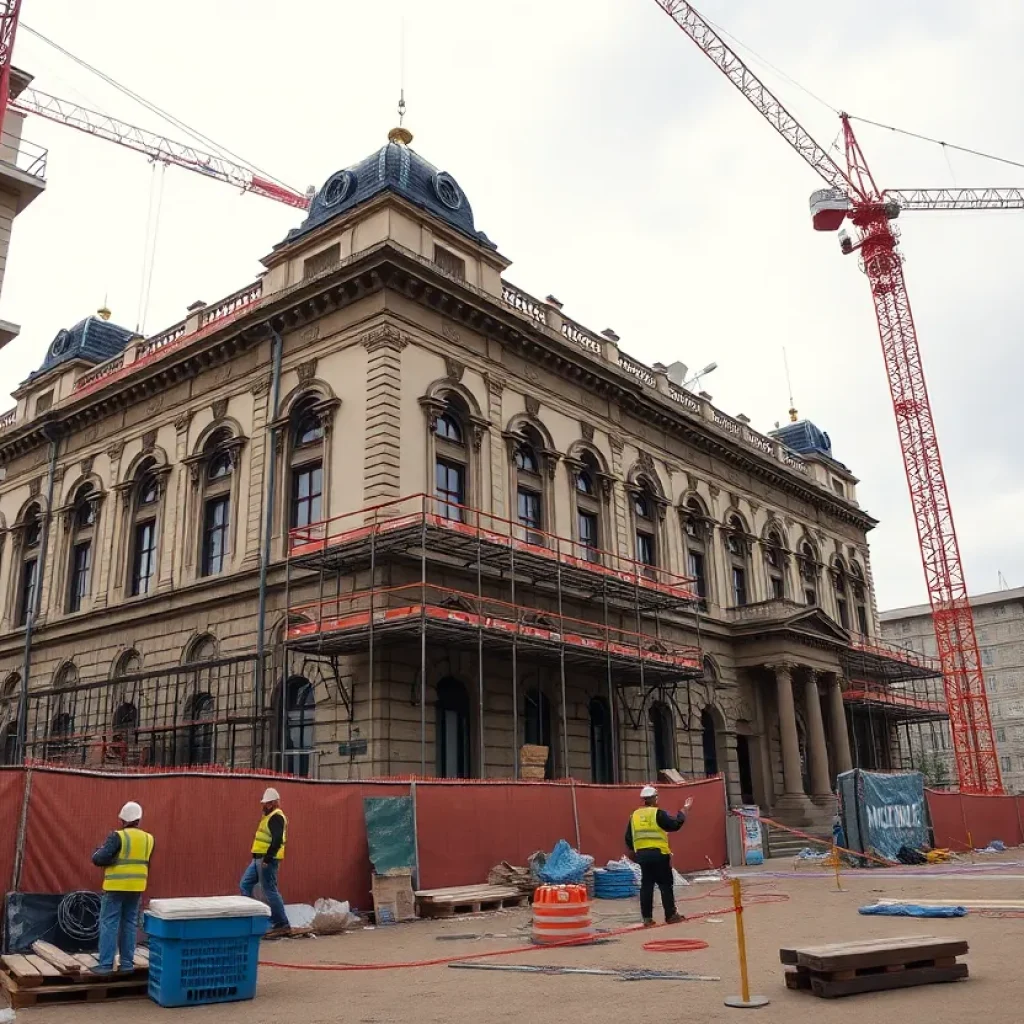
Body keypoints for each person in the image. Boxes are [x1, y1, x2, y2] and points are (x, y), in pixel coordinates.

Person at [90, 800, 154, 975]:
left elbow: (99, 859)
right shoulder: (149, 839)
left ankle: (105, 965)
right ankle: (126, 964)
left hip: (116, 887)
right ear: (139, 819)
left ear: (123, 820)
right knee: (130, 924)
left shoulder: (117, 837)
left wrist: (99, 852)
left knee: (109, 923)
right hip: (137, 887)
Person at [625, 784, 693, 927]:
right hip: (659, 854)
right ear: (654, 798)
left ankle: (647, 919)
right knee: (665, 885)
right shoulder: (658, 813)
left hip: (642, 856)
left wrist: (639, 849)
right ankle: (671, 915)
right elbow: (674, 825)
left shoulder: (634, 816)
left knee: (646, 885)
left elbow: (628, 838)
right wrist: (684, 810)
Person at [241, 787, 290, 938]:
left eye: (267, 803)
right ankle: (254, 917)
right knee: (245, 885)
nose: (264, 806)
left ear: (274, 803)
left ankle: (281, 924)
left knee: (270, 890)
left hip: (266, 860)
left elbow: (277, 840)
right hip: (258, 859)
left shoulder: (276, 817)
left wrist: (268, 859)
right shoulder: (268, 817)